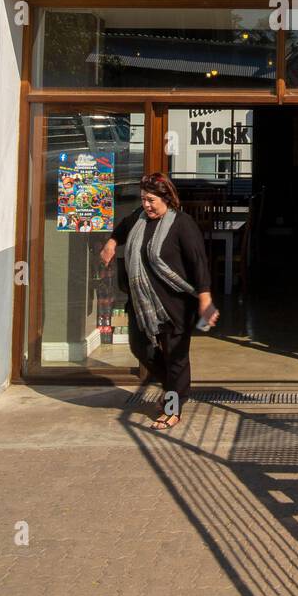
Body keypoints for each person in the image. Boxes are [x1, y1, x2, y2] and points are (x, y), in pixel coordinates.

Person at [99, 173, 218, 431]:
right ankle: (174, 388)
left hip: (176, 305)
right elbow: (122, 226)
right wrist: (111, 241)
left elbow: (198, 263)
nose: (147, 205)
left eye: (151, 200)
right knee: (140, 348)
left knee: (176, 358)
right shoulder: (138, 220)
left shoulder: (182, 224)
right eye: (143, 199)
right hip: (143, 305)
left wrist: (205, 299)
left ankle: (173, 407)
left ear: (167, 198)